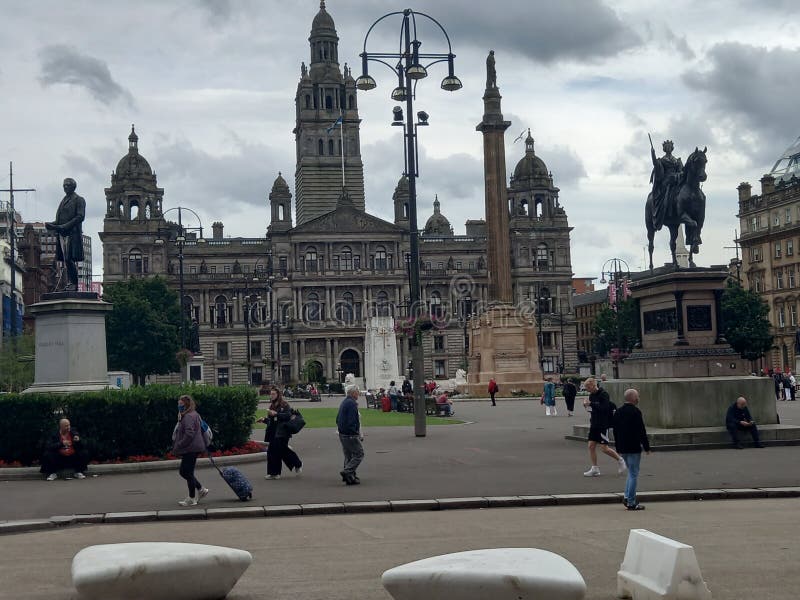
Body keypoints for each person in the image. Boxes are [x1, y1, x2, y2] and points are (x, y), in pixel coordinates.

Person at [612, 389, 651, 511]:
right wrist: (646, 447)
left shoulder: (618, 412)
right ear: (633, 398)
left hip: (623, 446)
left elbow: (615, 431)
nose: (638, 398)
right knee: (634, 474)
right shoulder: (635, 412)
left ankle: (627, 496)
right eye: (637, 396)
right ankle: (631, 501)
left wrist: (618, 447)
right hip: (633, 446)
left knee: (631, 472)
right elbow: (641, 431)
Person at [45, 178, 86, 291]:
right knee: (66, 259)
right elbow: (59, 220)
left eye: (67, 185)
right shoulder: (63, 200)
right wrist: (52, 224)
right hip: (62, 234)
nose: (65, 187)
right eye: (64, 185)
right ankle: (71, 282)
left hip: (72, 233)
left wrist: (64, 226)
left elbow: (80, 216)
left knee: (69, 258)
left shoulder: (79, 200)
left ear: (73, 186)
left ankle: (74, 283)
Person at [582, 377, 627, 477]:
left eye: (588, 387)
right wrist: (587, 406)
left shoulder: (603, 394)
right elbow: (593, 409)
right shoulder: (591, 395)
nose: (587, 389)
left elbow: (604, 408)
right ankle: (595, 468)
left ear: (593, 385)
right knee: (591, 446)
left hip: (603, 424)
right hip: (594, 423)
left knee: (604, 448)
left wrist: (591, 404)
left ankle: (620, 460)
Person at [172, 394, 209, 506]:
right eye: (178, 404)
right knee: (188, 472)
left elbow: (189, 433)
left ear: (186, 405)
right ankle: (198, 492)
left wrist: (180, 444)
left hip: (190, 448)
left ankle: (194, 496)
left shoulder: (188, 416)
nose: (179, 406)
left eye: (181, 405)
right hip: (194, 447)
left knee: (184, 472)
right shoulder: (194, 414)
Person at [260, 387, 303, 479]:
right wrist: (264, 420)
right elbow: (272, 421)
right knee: (271, 452)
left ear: (278, 394)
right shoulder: (271, 406)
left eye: (273, 394)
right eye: (271, 394)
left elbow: (288, 416)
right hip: (273, 432)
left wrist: (276, 414)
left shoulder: (284, 405)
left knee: (282, 450)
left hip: (282, 432)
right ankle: (273, 473)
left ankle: (297, 464)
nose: (271, 396)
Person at [336, 385, 364, 485]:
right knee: (359, 454)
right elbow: (352, 420)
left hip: (342, 433)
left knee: (348, 455)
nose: (359, 394)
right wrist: (355, 432)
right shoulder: (352, 404)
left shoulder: (344, 402)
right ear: (353, 393)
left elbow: (337, 418)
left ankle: (350, 477)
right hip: (349, 434)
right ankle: (347, 471)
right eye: (357, 392)